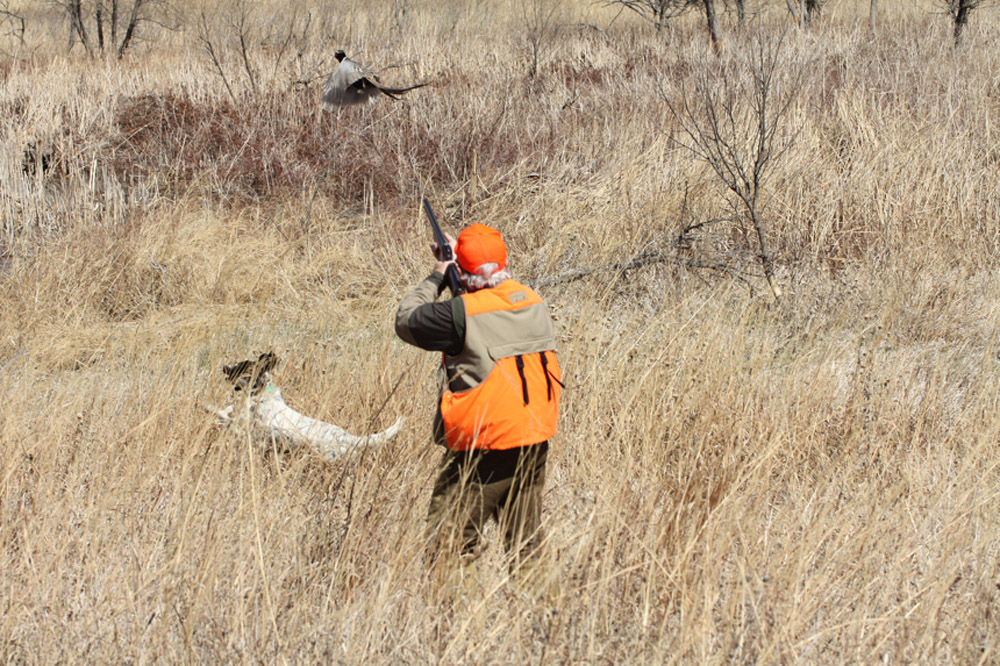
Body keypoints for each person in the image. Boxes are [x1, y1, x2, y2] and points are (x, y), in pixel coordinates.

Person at [395, 222, 562, 576]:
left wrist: (439, 274)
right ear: (505, 264)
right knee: (527, 547)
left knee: (449, 547)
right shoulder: (533, 301)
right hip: (532, 441)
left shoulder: (461, 313)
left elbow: (407, 319)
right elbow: (490, 315)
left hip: (484, 449)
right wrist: (464, 273)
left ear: (462, 273)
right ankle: (550, 626)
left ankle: (453, 629)